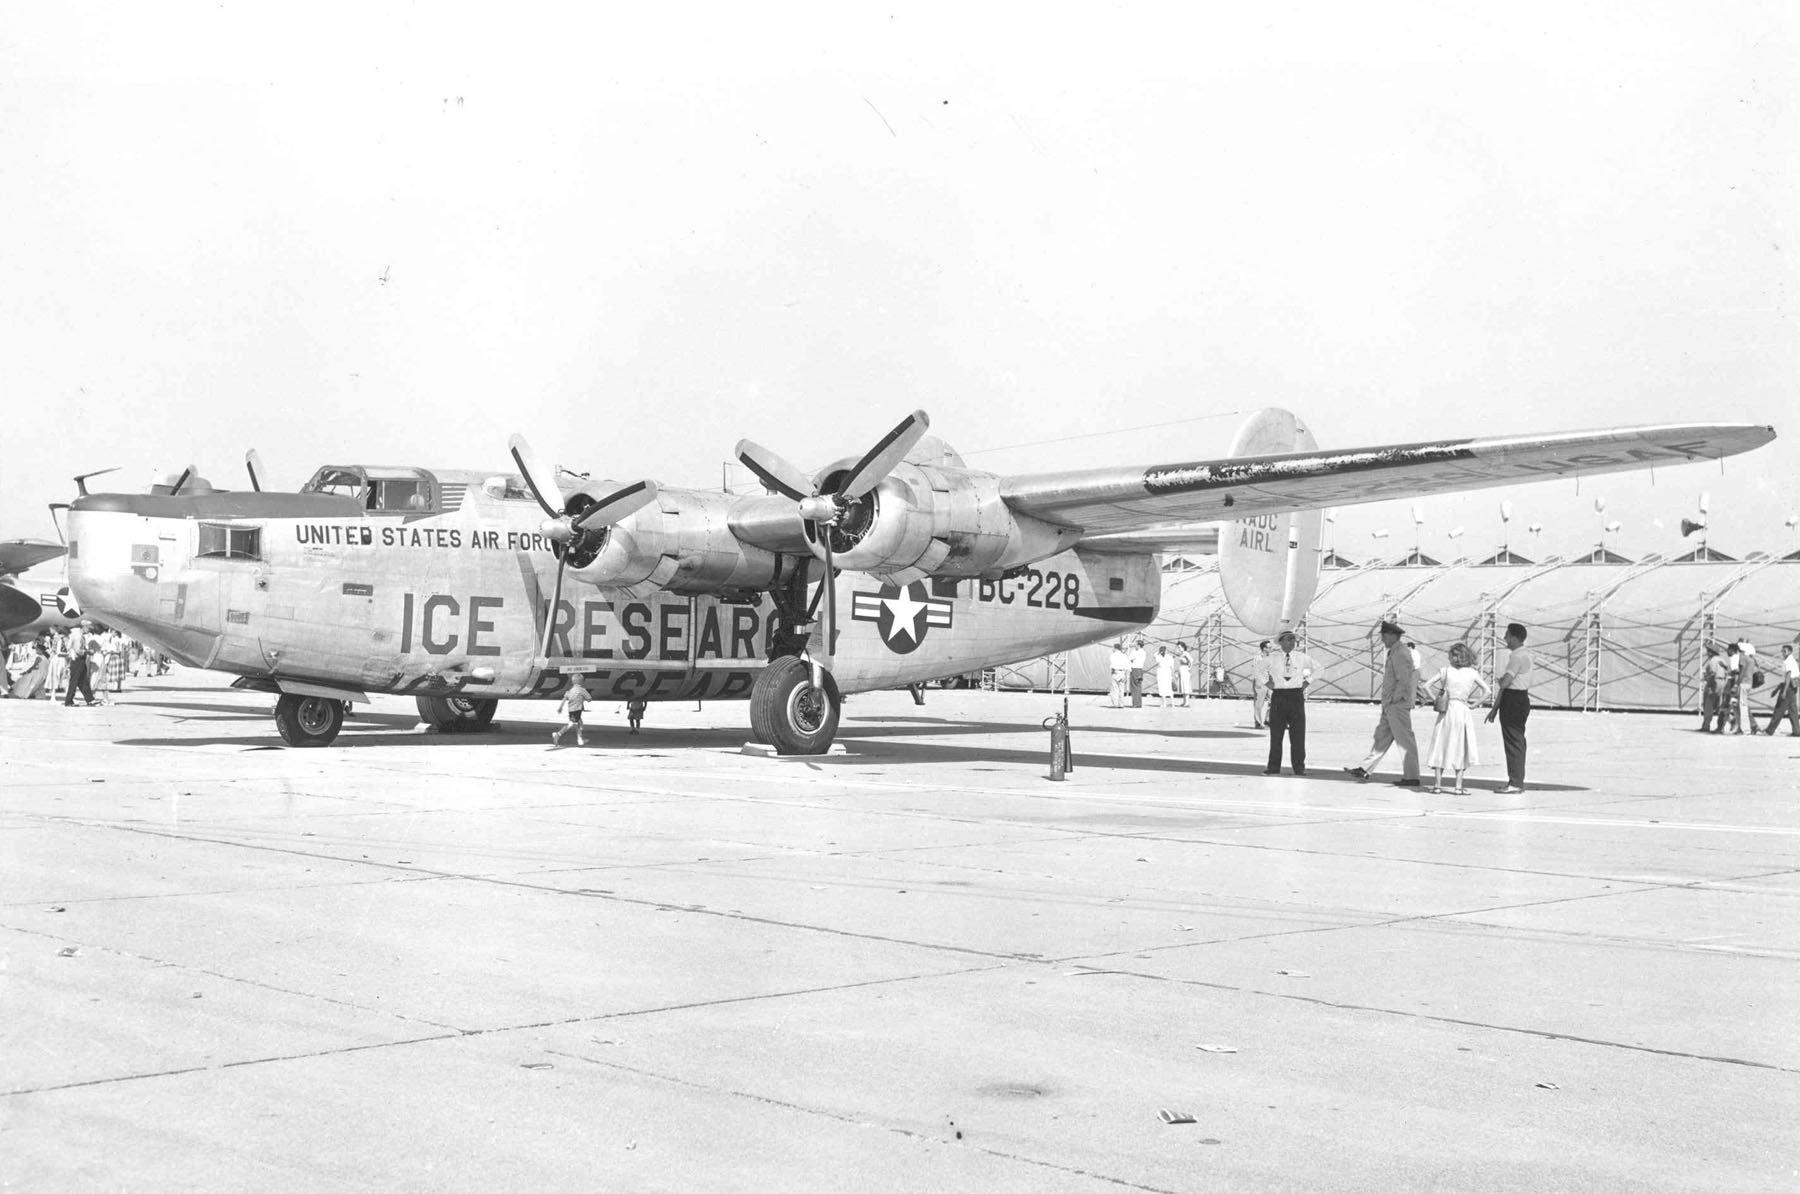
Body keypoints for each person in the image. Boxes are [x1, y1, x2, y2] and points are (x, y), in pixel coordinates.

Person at [1343, 620, 1421, 786]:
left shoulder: (1400, 653)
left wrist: (1394, 700)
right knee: (1382, 737)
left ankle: (1412, 776)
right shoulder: (1395, 651)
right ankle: (1365, 769)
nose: (1382, 640)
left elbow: (1404, 680)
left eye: (1384, 636)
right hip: (1390, 704)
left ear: (1393, 636)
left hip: (1396, 704)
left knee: (1405, 740)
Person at [1424, 642, 1491, 793]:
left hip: (1446, 709)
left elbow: (1426, 685)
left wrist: (1435, 699)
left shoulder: (1445, 671)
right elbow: (1487, 691)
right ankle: (1458, 786)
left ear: (1455, 657)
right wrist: (1474, 704)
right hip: (1462, 709)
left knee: (1441, 744)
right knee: (1460, 746)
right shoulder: (1472, 673)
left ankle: (1437, 785)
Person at [1484, 622, 1534, 793]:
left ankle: (1515, 782)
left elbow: (1506, 682)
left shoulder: (1516, 657)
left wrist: (1500, 680)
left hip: (1513, 699)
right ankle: (1516, 780)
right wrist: (1495, 708)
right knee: (1517, 740)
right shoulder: (1527, 654)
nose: (1505, 638)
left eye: (1507, 635)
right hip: (1519, 698)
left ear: (1514, 637)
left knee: (1513, 741)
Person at [1264, 630, 1313, 776]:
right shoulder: (1273, 657)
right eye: (1287, 640)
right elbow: (1258, 670)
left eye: (1292, 640)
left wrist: (1307, 682)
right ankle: (1273, 767)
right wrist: (1267, 682)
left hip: (1295, 695)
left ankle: (1299, 767)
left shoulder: (1301, 657)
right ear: (1281, 642)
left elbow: (1319, 669)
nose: (1291, 643)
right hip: (1279, 695)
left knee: (1298, 734)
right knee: (1276, 734)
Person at [1761, 644, 1798, 736]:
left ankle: (1769, 730)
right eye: (1782, 651)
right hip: (1793, 688)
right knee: (1793, 711)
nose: (1783, 653)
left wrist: (1784, 691)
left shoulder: (1788, 661)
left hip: (1788, 687)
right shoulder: (1792, 661)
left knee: (1779, 709)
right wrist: (1777, 689)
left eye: (1784, 651)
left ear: (1790, 652)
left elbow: (1788, 676)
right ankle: (1797, 731)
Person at [62, 625, 99, 707]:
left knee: (83, 680)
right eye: (88, 629)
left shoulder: (79, 635)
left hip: (79, 660)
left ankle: (90, 699)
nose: (88, 631)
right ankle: (68, 701)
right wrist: (88, 651)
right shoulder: (78, 637)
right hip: (77, 660)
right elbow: (78, 650)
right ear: (84, 627)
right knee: (74, 681)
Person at [550, 675, 590, 747]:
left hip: (571, 709)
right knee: (571, 724)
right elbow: (589, 699)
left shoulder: (570, 690)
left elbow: (564, 699)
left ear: (572, 681)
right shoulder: (582, 690)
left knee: (579, 723)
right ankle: (558, 734)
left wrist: (560, 707)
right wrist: (583, 699)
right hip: (577, 709)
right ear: (582, 681)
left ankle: (580, 739)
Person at [1699, 643, 1727, 733]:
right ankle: (1723, 725)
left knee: (1709, 705)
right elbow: (1726, 672)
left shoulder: (1712, 661)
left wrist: (1709, 683)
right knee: (1720, 705)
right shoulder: (1722, 660)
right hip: (1722, 682)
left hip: (1714, 682)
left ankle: (1706, 726)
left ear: (1711, 652)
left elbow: (1712, 673)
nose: (1707, 653)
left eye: (1708, 651)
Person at [1251, 640, 1272, 728]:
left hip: (1269, 681)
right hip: (1260, 681)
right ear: (1264, 648)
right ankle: (1258, 722)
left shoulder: (1270, 657)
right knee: (1259, 703)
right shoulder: (1257, 658)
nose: (1271, 649)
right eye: (1269, 647)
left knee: (1273, 701)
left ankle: (1268, 720)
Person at [1107, 640, 1129, 708]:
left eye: (1113, 648)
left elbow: (1112, 665)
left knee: (1115, 689)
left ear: (1115, 648)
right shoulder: (1124, 655)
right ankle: (1121, 704)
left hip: (1115, 672)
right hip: (1122, 672)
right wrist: (1126, 674)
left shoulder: (1113, 655)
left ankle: (1115, 703)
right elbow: (1127, 665)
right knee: (1121, 689)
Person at [1127, 638, 1147, 709]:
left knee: (1134, 687)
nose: (1134, 645)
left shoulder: (1135, 652)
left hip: (1135, 669)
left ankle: (1135, 703)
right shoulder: (1143, 652)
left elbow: (1129, 658)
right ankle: (1138, 703)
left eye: (1135, 644)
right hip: (1140, 670)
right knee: (1138, 686)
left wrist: (1132, 649)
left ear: (1138, 645)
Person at [1405, 639, 1424, 705]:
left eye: (1407, 647)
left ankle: (1411, 704)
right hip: (1416, 671)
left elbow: (1412, 664)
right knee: (1416, 687)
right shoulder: (1416, 652)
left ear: (1410, 647)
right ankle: (1423, 700)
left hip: (1413, 671)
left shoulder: (1413, 653)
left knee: (1412, 689)